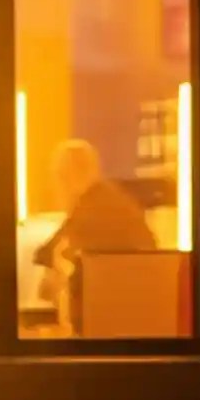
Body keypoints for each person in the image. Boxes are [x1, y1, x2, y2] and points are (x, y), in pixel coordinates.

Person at [33, 139, 156, 334]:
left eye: (57, 178)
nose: (55, 188)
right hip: (132, 311)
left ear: (69, 176)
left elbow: (50, 254)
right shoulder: (105, 199)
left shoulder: (94, 208)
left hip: (112, 316)